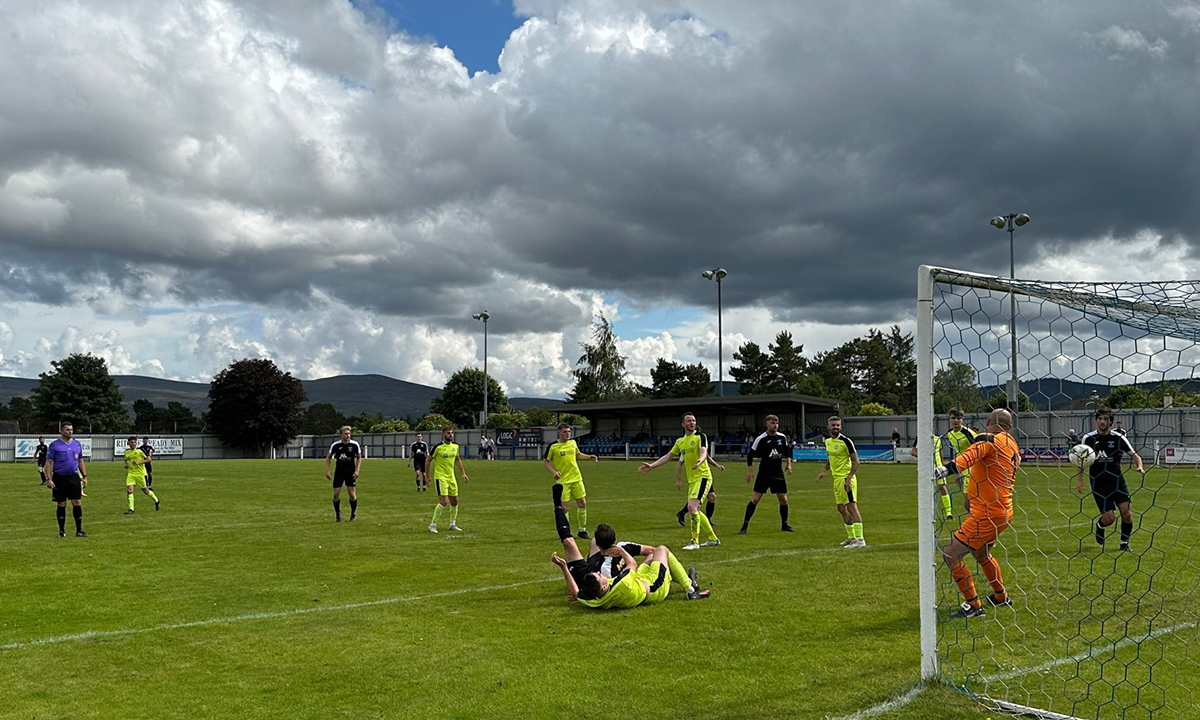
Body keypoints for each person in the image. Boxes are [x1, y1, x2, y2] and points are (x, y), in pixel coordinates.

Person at [548, 484, 709, 607]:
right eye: (599, 576)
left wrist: (563, 567)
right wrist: (622, 551)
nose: (598, 573)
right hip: (654, 587)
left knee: (653, 556)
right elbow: (632, 564)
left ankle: (685, 579)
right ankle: (691, 588)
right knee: (661, 550)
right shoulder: (621, 582)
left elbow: (577, 593)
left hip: (637, 580)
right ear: (603, 587)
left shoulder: (596, 599)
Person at [933, 408, 1020, 618]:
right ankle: (1000, 596)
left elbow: (970, 455)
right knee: (981, 554)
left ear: (988, 422)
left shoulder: (989, 439)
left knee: (951, 554)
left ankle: (973, 605)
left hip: (986, 513)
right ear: (1009, 427)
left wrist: (945, 469)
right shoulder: (1012, 444)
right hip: (1003, 511)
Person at [638, 413, 720, 550]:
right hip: (692, 480)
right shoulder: (680, 442)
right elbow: (668, 456)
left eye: (693, 420)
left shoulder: (700, 436)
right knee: (695, 509)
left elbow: (704, 451)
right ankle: (713, 539)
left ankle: (694, 541)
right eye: (689, 421)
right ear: (683, 424)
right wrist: (652, 466)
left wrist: (700, 460)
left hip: (703, 476)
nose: (692, 423)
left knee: (692, 508)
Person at [1077, 407, 1144, 551]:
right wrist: (1080, 480)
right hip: (1098, 483)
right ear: (1096, 420)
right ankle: (1100, 526)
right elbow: (1081, 460)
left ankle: (1124, 544)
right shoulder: (1088, 438)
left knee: (1127, 514)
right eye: (1100, 419)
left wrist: (1139, 466)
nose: (1102, 422)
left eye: (1105, 419)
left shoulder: (1118, 438)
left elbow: (1135, 455)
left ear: (1111, 422)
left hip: (1116, 481)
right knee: (1109, 519)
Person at [815, 417, 865, 548]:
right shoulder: (828, 442)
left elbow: (856, 461)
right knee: (841, 509)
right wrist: (824, 471)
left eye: (837, 425)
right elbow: (831, 458)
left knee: (852, 508)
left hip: (845, 479)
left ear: (841, 427)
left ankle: (860, 540)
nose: (835, 427)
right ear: (828, 427)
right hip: (836, 480)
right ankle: (852, 537)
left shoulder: (846, 441)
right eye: (833, 425)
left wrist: (849, 478)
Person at [543, 423, 599, 539]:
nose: (568, 434)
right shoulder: (553, 446)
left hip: (576, 478)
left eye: (569, 431)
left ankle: (582, 530)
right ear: (559, 432)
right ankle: (565, 532)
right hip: (563, 481)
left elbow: (577, 455)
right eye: (565, 431)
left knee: (582, 503)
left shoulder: (573, 443)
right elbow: (545, 462)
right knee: (564, 507)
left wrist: (589, 457)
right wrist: (554, 472)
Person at [740, 414, 794, 534]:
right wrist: (750, 471)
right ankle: (744, 525)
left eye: (777, 423)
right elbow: (750, 456)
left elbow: (787, 451)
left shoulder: (782, 437)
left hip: (778, 473)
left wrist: (789, 464)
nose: (775, 425)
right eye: (772, 423)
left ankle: (784, 525)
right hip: (764, 474)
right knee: (755, 499)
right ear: (767, 424)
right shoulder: (761, 439)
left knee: (783, 499)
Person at [43, 421, 88, 538]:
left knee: (77, 502)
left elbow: (80, 460)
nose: (70, 432)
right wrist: (48, 479)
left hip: (74, 477)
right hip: (59, 478)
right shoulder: (54, 445)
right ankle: (61, 531)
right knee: (61, 503)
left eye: (71, 429)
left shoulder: (77, 444)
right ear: (61, 431)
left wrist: (84, 476)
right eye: (68, 429)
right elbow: (49, 462)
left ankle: (79, 530)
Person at [675, 425, 723, 527]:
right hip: (696, 477)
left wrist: (717, 466)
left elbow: (706, 457)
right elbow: (679, 464)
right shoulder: (686, 447)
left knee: (711, 497)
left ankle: (707, 519)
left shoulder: (700, 444)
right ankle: (685, 514)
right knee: (696, 501)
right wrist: (679, 480)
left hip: (704, 475)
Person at [427, 426, 469, 533]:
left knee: (454, 501)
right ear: (443, 434)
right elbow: (428, 460)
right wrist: (427, 476)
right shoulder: (438, 447)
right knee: (444, 502)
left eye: (452, 433)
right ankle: (432, 525)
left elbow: (457, 460)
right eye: (448, 433)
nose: (450, 435)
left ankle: (452, 524)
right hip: (440, 477)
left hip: (451, 477)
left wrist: (463, 473)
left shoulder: (455, 446)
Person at [937, 408, 977, 519]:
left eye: (958, 418)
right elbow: (959, 454)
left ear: (962, 420)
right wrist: (958, 473)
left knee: (969, 503)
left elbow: (979, 449)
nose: (956, 420)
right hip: (963, 468)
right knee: (969, 504)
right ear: (949, 419)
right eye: (953, 418)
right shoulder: (950, 434)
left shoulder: (968, 433)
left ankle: (976, 522)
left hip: (973, 469)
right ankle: (976, 521)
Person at [325, 426, 362, 522]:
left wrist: (357, 470)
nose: (348, 435)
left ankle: (353, 513)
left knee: (352, 494)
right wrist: (327, 470)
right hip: (339, 472)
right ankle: (338, 514)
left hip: (350, 472)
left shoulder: (354, 444)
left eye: (349, 433)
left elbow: (359, 457)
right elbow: (328, 457)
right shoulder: (335, 445)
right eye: (345, 434)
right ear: (341, 435)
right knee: (335, 494)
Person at [123, 436, 161, 514]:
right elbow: (126, 460)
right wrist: (126, 464)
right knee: (129, 490)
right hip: (131, 474)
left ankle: (156, 500)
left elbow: (149, 459)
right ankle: (131, 509)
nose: (133, 444)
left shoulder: (140, 451)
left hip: (141, 474)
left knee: (145, 491)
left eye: (134, 442)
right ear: (128, 443)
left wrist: (139, 462)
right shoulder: (126, 452)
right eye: (131, 442)